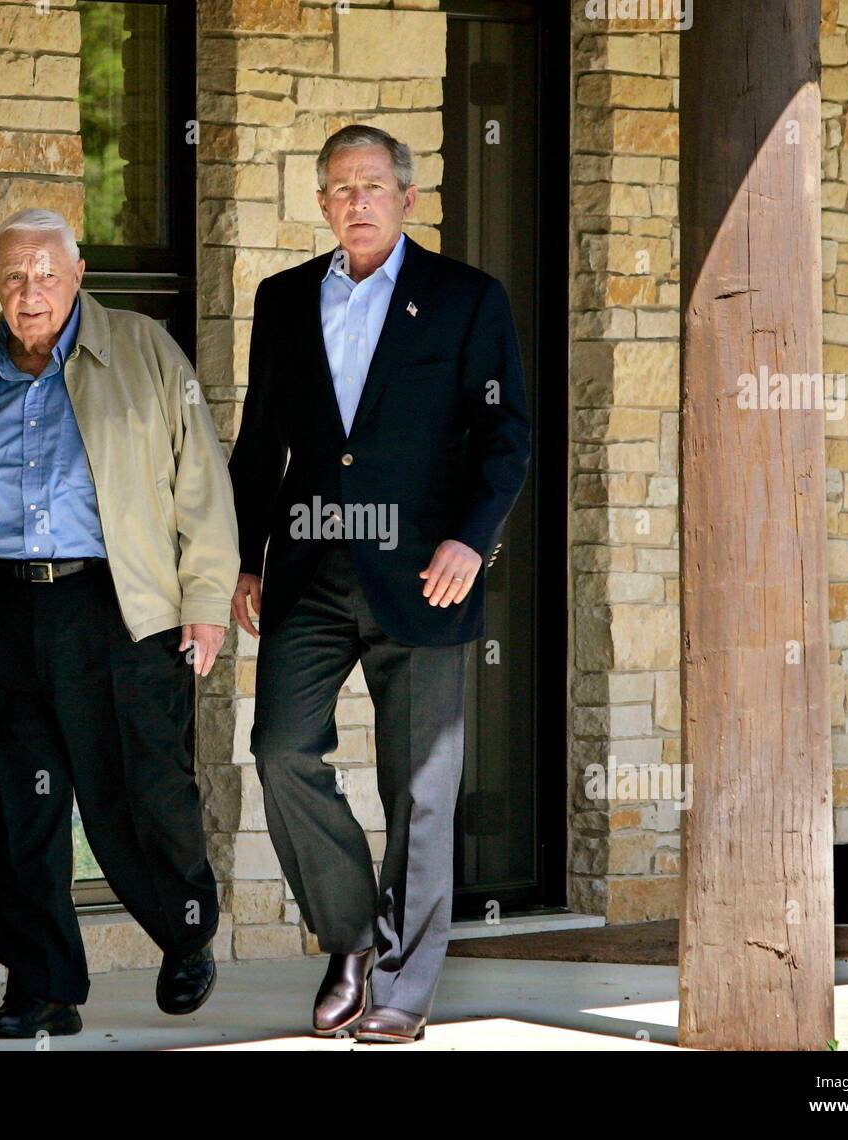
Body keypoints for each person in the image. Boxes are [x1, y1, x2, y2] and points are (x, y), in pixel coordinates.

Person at [0, 208, 239, 1038]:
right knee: (18, 807)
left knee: (140, 789)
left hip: (113, 606)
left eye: (46, 273)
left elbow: (202, 485)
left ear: (79, 274)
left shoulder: (145, 353)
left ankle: (186, 933)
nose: (29, 291)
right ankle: (42, 986)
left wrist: (206, 600)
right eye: (13, 277)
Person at [228, 125, 531, 1043]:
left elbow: (506, 435)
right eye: (337, 188)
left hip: (425, 576)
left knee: (420, 788)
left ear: (406, 196)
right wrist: (245, 555)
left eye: (371, 185)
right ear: (322, 204)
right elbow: (259, 443)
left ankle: (403, 985)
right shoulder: (282, 300)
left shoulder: (466, 299)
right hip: (311, 566)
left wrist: (471, 543)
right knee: (281, 750)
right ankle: (352, 935)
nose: (354, 202)